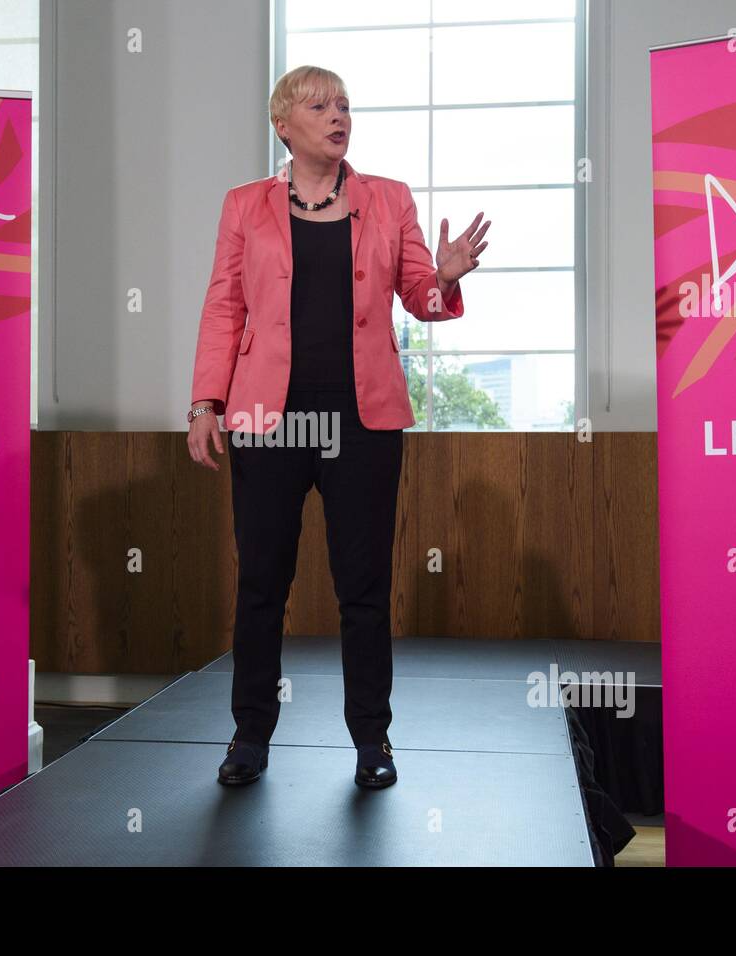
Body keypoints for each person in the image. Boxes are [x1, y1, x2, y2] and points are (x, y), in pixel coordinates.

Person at [187, 65, 488, 789]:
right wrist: (206, 404)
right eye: (319, 105)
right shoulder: (245, 205)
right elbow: (225, 307)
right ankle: (249, 737)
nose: (337, 115)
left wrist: (444, 277)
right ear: (283, 125)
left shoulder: (388, 200)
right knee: (262, 583)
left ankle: (372, 743)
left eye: (345, 104)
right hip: (269, 418)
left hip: (363, 419)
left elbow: (420, 296)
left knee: (363, 588)